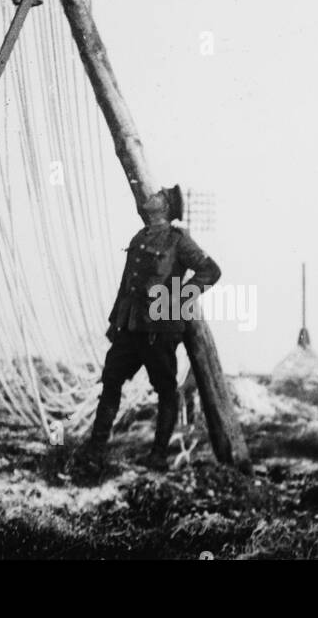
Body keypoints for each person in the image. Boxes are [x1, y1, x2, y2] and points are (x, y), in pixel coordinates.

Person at [83, 185, 221, 471]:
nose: (153, 195)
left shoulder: (178, 240)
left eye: (160, 194)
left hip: (161, 328)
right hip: (131, 327)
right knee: (111, 379)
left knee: (166, 389)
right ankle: (95, 450)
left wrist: (178, 298)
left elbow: (211, 271)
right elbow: (127, 284)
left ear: (167, 207)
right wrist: (114, 322)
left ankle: (158, 455)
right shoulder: (139, 236)